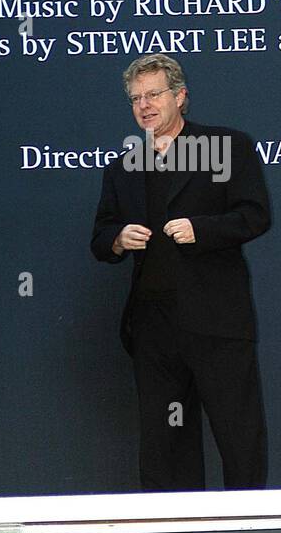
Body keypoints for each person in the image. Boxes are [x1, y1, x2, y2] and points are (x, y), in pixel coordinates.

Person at [90, 53, 271, 491]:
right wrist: (118, 239)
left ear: (181, 96)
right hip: (154, 328)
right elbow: (100, 237)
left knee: (238, 435)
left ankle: (249, 530)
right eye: (136, 98)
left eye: (154, 94)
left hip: (216, 322)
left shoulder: (228, 147)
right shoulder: (124, 166)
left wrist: (201, 230)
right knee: (164, 445)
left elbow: (256, 215)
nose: (144, 105)